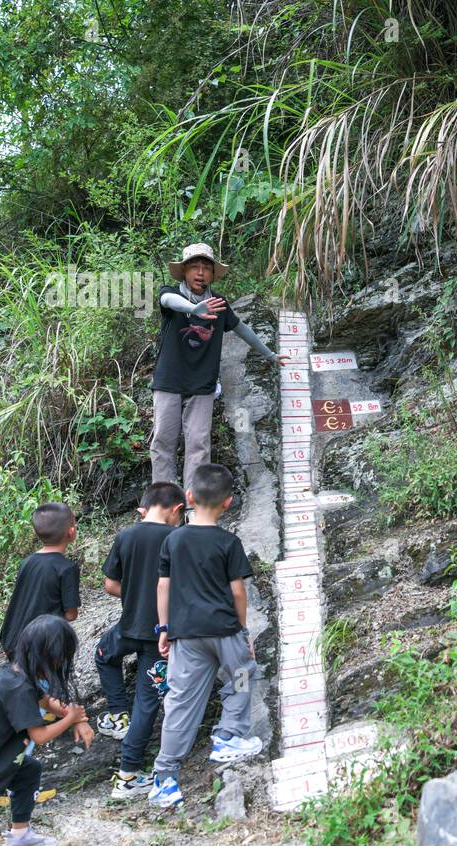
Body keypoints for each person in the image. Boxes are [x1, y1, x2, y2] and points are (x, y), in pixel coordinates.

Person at [149, 463, 262, 808]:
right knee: (242, 675)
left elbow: (163, 586)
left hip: (186, 635)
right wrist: (243, 631)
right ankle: (229, 734)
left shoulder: (173, 539)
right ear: (228, 503)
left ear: (189, 497)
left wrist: (164, 628)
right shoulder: (229, 542)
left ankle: (165, 779)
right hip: (225, 629)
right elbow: (238, 592)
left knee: (180, 702)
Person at [0, 614, 93, 846]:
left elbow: (48, 702)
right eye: (61, 658)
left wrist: (76, 718)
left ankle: (20, 836)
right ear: (49, 655)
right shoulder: (17, 688)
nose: (61, 664)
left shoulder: (17, 674)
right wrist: (71, 718)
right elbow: (39, 736)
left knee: (29, 770)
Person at [150, 243, 290, 494]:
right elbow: (166, 300)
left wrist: (269, 353)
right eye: (194, 267)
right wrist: (194, 309)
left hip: (202, 384)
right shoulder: (172, 293)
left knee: (199, 445)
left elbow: (241, 329)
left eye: (206, 268)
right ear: (184, 272)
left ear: (213, 274)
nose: (200, 273)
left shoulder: (219, 304)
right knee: (162, 441)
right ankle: (163, 503)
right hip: (169, 380)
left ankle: (194, 504)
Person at [96, 481, 185, 800]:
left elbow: (109, 584)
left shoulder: (125, 536)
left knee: (103, 655)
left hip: (127, 627)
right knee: (147, 704)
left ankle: (118, 714)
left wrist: (135, 593)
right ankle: (128, 776)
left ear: (142, 509)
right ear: (176, 509)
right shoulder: (177, 538)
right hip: (159, 636)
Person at [0, 502, 80, 661]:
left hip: (12, 639)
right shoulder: (67, 568)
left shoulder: (27, 562)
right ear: (71, 532)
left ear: (36, 534)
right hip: (40, 645)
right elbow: (71, 615)